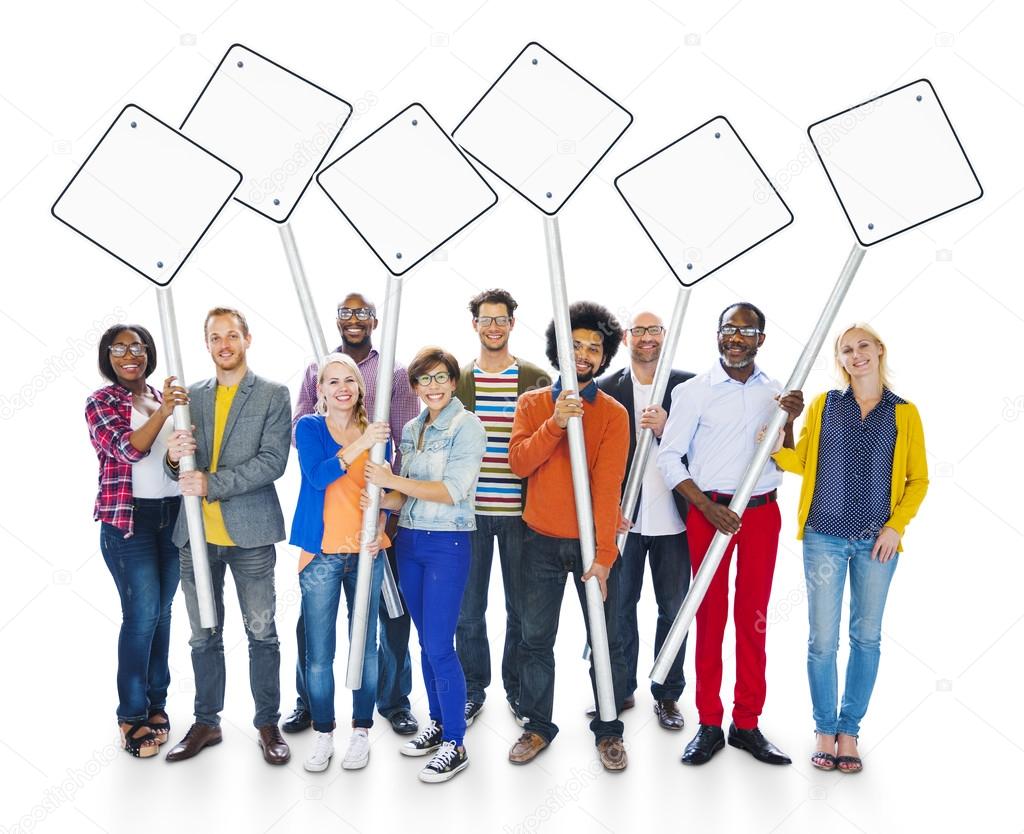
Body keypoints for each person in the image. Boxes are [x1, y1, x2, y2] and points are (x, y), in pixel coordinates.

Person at [771, 323, 927, 773]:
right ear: (839, 360)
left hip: (877, 542)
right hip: (824, 536)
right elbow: (802, 461)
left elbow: (918, 480)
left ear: (879, 350)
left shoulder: (904, 413)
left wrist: (896, 527)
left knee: (866, 637)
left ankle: (850, 730)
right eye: (846, 350)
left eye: (863, 347)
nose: (855, 355)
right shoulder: (825, 405)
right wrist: (779, 436)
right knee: (823, 639)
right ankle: (824, 729)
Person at [657, 302, 802, 766]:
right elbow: (669, 458)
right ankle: (709, 723)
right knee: (711, 616)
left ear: (762, 339)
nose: (735, 338)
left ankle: (747, 724)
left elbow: (786, 457)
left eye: (746, 331)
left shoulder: (777, 392)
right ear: (717, 335)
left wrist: (792, 421)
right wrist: (706, 507)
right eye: (728, 329)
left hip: (761, 513)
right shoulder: (694, 391)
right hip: (709, 512)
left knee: (753, 617)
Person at [285, 292, 422, 738]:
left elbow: (401, 442)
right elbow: (309, 449)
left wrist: (387, 506)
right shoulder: (315, 372)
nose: (354, 319)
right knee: (314, 630)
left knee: (387, 621)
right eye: (346, 312)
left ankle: (392, 702)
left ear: (376, 319)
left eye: (363, 312)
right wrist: (350, 449)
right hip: (325, 536)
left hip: (376, 530)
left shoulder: (396, 375)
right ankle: (311, 705)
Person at [163, 307, 292, 765]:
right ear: (207, 344)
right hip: (194, 535)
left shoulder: (274, 394)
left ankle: (267, 723)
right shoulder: (191, 396)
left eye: (232, 335)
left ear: (247, 338)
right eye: (215, 337)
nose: (224, 343)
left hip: (251, 536)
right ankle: (206, 722)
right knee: (202, 635)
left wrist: (211, 484)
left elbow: (274, 461)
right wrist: (177, 460)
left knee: (262, 633)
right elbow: (174, 466)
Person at [506, 301, 631, 772]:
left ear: (604, 357)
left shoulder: (614, 414)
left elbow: (607, 488)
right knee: (535, 640)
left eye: (594, 348)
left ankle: (610, 731)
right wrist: (556, 422)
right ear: (559, 349)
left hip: (588, 546)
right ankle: (538, 726)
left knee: (608, 640)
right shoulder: (533, 403)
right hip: (537, 541)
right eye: (575, 344)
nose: (584, 353)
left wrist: (603, 557)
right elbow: (520, 463)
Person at [365, 347, 486, 783]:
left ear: (453, 382)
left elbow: (453, 489)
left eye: (441, 378)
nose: (432, 386)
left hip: (447, 542)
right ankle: (437, 724)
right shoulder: (413, 428)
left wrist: (393, 481)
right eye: (424, 380)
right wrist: (377, 497)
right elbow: (404, 496)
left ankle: (456, 743)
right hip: (409, 541)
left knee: (439, 645)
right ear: (414, 387)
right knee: (423, 641)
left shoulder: (467, 426)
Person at [86, 324, 188, 758]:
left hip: (172, 518)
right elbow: (128, 450)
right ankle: (131, 714)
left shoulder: (160, 396)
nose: (131, 355)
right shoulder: (102, 401)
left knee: (162, 615)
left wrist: (171, 413)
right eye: (120, 348)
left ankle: (156, 702)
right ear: (107, 355)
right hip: (129, 523)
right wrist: (164, 413)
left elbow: (174, 457)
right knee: (141, 615)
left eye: (139, 347)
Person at [290, 353, 393, 772]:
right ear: (321, 391)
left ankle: (362, 731)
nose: (342, 388)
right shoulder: (310, 427)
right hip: (322, 555)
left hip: (366, 552)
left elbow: (389, 491)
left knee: (365, 648)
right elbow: (318, 475)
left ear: (360, 387)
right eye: (332, 382)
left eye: (348, 380)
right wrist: (361, 446)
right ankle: (323, 732)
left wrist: (382, 516)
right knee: (319, 652)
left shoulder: (376, 431)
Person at [453, 289, 551, 728]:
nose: (493, 326)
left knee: (521, 611)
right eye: (485, 319)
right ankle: (474, 688)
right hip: (468, 514)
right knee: (468, 610)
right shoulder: (456, 378)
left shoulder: (535, 378)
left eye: (501, 319)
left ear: (513, 323)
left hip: (522, 515)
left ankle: (515, 689)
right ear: (474, 324)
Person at [597, 311, 693, 730]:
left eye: (655, 330)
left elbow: (708, 450)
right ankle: (618, 690)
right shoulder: (606, 389)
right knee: (617, 609)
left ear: (664, 336)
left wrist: (669, 428)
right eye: (639, 331)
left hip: (675, 521)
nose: (647, 338)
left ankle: (667, 695)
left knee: (674, 610)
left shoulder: (689, 387)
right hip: (623, 522)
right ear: (626, 337)